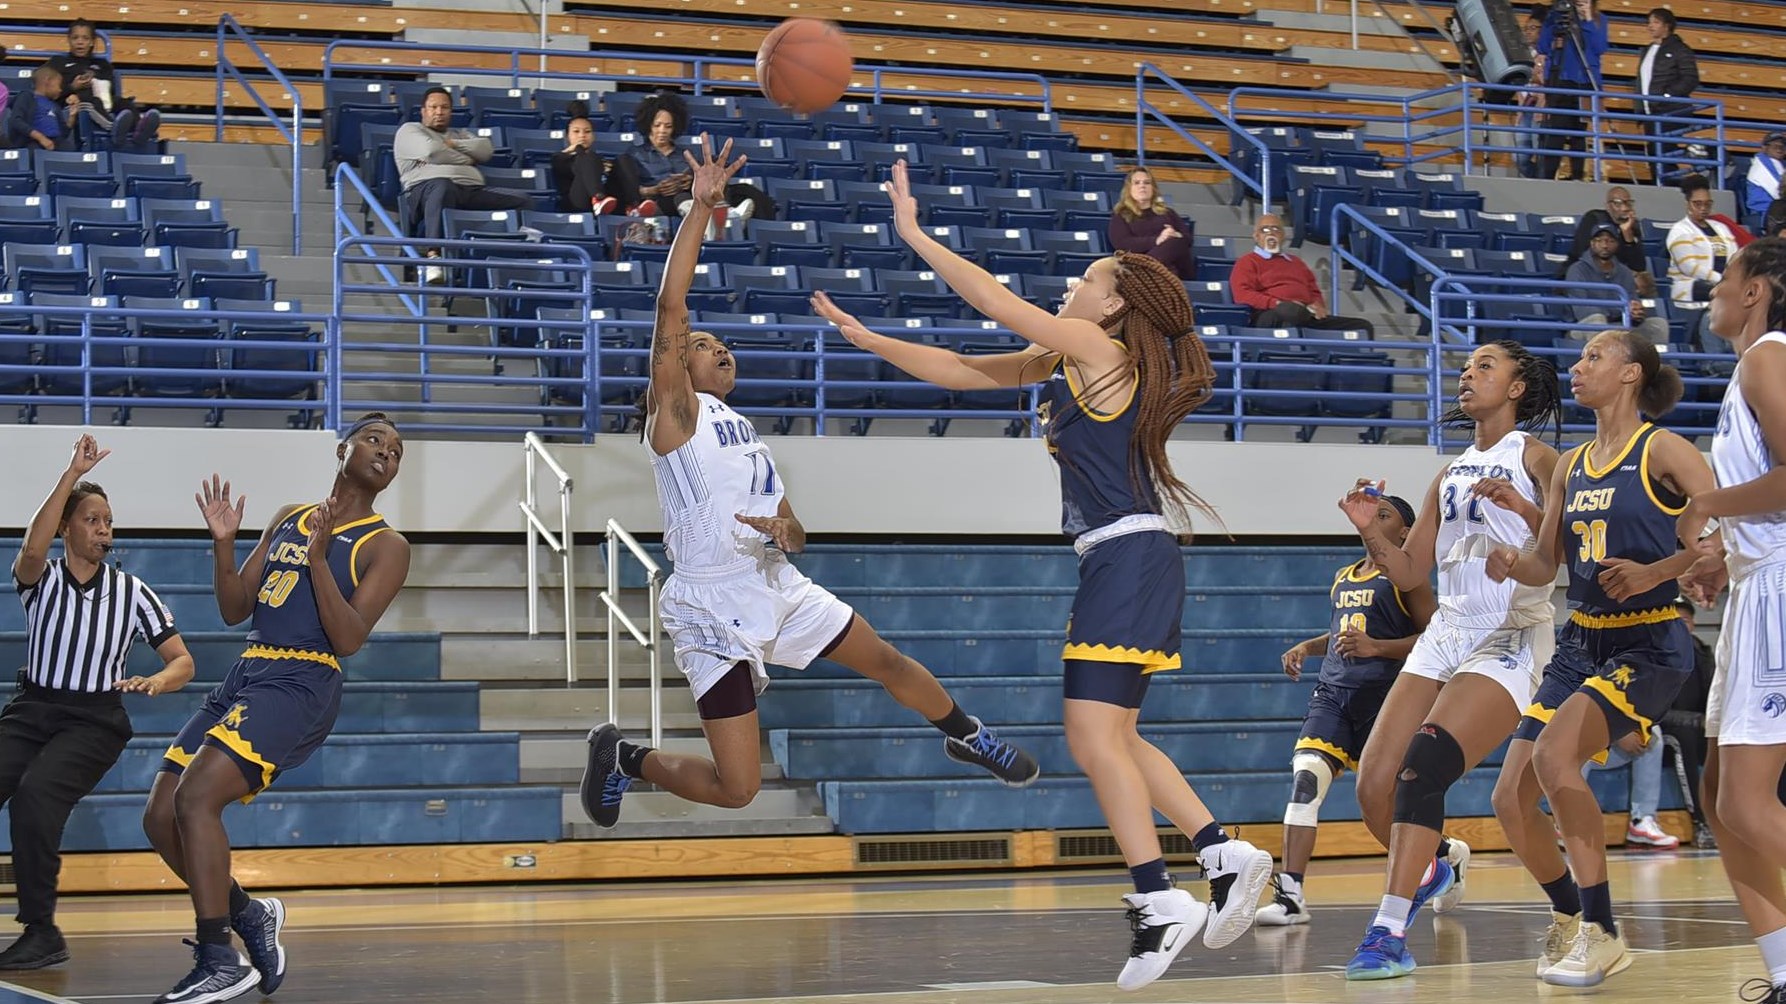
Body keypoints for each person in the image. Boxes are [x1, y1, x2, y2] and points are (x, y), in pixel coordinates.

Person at [808, 159, 1276, 991]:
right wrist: (871, 341)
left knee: (1093, 739)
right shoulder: (1069, 362)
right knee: (1118, 737)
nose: (1073, 284)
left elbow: (992, 298)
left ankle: (1159, 898)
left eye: (1087, 279)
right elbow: (961, 370)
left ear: (1115, 305)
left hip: (1127, 556)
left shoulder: (1097, 349)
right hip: (1125, 559)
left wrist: (914, 235)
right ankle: (1219, 851)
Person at [578, 140, 1038, 848]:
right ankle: (625, 757)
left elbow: (794, 529)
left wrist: (788, 535)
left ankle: (964, 733)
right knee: (738, 789)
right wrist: (699, 210)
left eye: (725, 346)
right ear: (678, 365)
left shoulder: (748, 437)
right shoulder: (675, 415)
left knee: (885, 659)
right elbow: (671, 305)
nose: (719, 348)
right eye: (703, 344)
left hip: (774, 582)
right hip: (710, 603)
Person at [144, 415, 411, 1004]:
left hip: (303, 680)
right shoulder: (290, 516)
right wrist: (223, 544)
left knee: (196, 797)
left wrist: (317, 561)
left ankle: (219, 957)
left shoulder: (387, 546)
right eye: (374, 440)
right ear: (342, 449)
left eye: (396, 451)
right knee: (160, 816)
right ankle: (249, 914)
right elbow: (235, 607)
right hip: (249, 668)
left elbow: (348, 639)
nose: (386, 453)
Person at [1485, 328, 1710, 985]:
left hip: (1649, 638)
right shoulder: (1572, 464)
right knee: (1510, 797)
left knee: (1556, 756)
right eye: (1580, 357)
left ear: (1631, 373)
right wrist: (1510, 560)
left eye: (1594, 357)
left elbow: (1721, 533)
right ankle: (1568, 913)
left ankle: (1604, 930)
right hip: (1581, 640)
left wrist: (1657, 571)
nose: (1578, 367)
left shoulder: (1663, 449)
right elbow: (1546, 563)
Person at [1338, 339, 1563, 981]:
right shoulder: (1449, 472)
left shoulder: (1537, 457)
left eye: (1484, 366)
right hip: (1447, 629)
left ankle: (1388, 931)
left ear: (1517, 387)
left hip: (1510, 628)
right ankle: (1436, 865)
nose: (1468, 375)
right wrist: (1371, 530)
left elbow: (1565, 547)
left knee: (1422, 766)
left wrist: (1524, 510)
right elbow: (1411, 571)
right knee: (1373, 784)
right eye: (1465, 368)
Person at [1, 436, 194, 970]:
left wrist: (159, 680)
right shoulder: (41, 579)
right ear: (67, 528)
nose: (104, 529)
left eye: (108, 521)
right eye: (91, 520)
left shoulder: (133, 591)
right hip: (33, 707)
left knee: (35, 797)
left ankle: (41, 931)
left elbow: (183, 661)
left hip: (94, 720)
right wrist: (71, 473)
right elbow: (31, 550)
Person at [1676, 236, 1786, 1004]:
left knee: (1747, 800)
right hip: (1756, 582)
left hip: (1777, 587)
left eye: (1728, 275)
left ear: (1756, 291)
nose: (1715, 288)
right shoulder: (1753, 366)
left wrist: (1707, 505)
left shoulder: (1767, 357)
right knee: (1720, 799)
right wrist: (1723, 553)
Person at [1258, 493, 1436, 928]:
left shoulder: (1408, 580)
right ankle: (1291, 894)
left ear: (1405, 532)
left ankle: (1446, 856)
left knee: (1386, 804)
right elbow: (1342, 631)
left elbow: (1436, 638)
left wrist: (1378, 648)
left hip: (1385, 697)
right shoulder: (1344, 577)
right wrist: (1308, 646)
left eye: (1384, 514)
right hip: (1333, 695)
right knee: (1305, 781)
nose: (1373, 518)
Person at [394, 86, 533, 285]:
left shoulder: (458, 134)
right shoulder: (410, 130)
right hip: (424, 193)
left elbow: (485, 149)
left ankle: (527, 254)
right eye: (433, 107)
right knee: (442, 186)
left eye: (444, 107)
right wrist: (467, 159)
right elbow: (432, 152)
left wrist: (455, 144)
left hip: (470, 191)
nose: (439, 112)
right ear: (423, 111)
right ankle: (433, 257)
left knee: (523, 200)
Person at [608, 92, 771, 226]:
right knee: (678, 197)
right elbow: (629, 190)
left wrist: (691, 181)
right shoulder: (635, 154)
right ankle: (720, 216)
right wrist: (655, 190)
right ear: (648, 125)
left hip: (692, 196)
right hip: (659, 202)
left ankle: (727, 213)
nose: (662, 130)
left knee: (743, 188)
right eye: (657, 125)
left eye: (668, 126)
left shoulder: (685, 154)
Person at [1229, 214, 1376, 335]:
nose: (1271, 233)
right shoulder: (1247, 262)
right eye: (1265, 230)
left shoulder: (1296, 262)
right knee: (1290, 311)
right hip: (1270, 313)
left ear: (1283, 236)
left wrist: (1318, 305)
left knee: (1362, 326)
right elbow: (1243, 294)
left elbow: (1313, 291)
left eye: (1276, 229)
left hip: (1304, 313)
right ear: (1256, 236)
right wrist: (1277, 303)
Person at [43, 19, 158, 152]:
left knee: (123, 103)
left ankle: (140, 131)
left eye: (85, 38)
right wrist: (72, 87)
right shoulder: (58, 62)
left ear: (92, 41)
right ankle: (113, 128)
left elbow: (110, 89)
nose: (80, 42)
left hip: (104, 101)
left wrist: (95, 81)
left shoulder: (102, 64)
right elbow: (45, 89)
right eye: (75, 38)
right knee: (90, 101)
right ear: (68, 40)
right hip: (75, 103)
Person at [1660, 594, 1717, 848]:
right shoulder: (1654, 654)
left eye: (1685, 620)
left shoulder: (1703, 653)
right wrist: (1697, 721)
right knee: (1684, 738)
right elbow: (1654, 710)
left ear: (1693, 624)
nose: (1680, 625)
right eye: (1673, 620)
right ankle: (1701, 822)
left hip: (1699, 725)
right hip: (1662, 729)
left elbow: (1714, 698)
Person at [1535, 0, 1608, 182]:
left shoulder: (1599, 20)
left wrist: (1588, 19)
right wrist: (1552, 18)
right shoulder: (1558, 18)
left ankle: (1577, 176)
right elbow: (1543, 46)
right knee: (1556, 132)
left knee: (1579, 133)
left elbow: (1600, 48)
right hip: (1561, 80)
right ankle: (1547, 178)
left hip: (1586, 83)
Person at [1566, 223, 1669, 344]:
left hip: (1620, 327)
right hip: (1582, 327)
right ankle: (1603, 357)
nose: (1605, 245)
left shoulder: (1625, 271)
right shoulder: (1577, 269)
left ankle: (1655, 357)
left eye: (1610, 241)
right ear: (1592, 243)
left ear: (1617, 244)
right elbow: (1581, 310)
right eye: (1599, 241)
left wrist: (1636, 313)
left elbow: (1632, 300)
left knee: (1658, 324)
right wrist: (1621, 311)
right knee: (1597, 320)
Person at [1667, 174, 1738, 349]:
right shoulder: (1679, 230)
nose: (1703, 208)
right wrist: (1721, 280)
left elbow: (1736, 256)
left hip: (1723, 286)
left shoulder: (1721, 228)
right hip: (1692, 287)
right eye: (1697, 204)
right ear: (1687, 203)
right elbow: (1689, 266)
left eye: (1707, 204)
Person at [1637, 8, 1700, 184]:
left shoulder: (1680, 49)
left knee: (1665, 153)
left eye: (1655, 22)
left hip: (1670, 111)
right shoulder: (1648, 50)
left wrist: (1667, 95)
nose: (1650, 26)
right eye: (1649, 22)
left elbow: (1691, 78)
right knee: (1654, 154)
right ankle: (1661, 187)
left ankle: (1670, 188)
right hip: (1650, 112)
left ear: (1667, 26)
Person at [1107, 168, 1194, 279]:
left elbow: (1188, 239)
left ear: (1153, 188)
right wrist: (1157, 240)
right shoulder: (1121, 215)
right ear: (1129, 189)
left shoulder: (1168, 213)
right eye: (1137, 183)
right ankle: (1145, 270)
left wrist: (1175, 235)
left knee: (1177, 242)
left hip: (1170, 270)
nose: (1142, 186)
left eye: (1147, 183)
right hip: (1138, 264)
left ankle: (1145, 270)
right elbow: (1122, 243)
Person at [1560, 187, 1656, 286]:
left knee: (1643, 282)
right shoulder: (1594, 218)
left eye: (1628, 203)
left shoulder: (1632, 225)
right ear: (1608, 206)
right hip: (1587, 273)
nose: (1625, 208)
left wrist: (1628, 236)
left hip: (1617, 277)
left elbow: (1639, 267)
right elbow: (1582, 252)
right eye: (1617, 203)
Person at [548, 116, 616, 215]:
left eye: (587, 132)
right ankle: (598, 198)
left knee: (624, 159)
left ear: (593, 137)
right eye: (576, 131)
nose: (582, 135)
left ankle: (633, 205)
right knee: (588, 157)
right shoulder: (559, 157)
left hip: (607, 200)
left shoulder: (598, 158)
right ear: (567, 136)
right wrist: (574, 149)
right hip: (576, 203)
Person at [5, 65, 70, 152]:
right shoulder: (26, 97)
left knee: (69, 149)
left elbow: (64, 134)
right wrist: (40, 138)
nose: (60, 90)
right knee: (35, 150)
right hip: (31, 142)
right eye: (58, 85)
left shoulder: (54, 105)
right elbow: (16, 121)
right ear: (47, 81)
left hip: (55, 143)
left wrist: (72, 116)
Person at [1513, 12, 1546, 179]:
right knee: (1520, 158)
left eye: (1532, 28)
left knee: (1541, 154)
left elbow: (1549, 80)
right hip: (1525, 109)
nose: (1527, 32)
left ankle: (1542, 183)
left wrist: (1530, 76)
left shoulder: (1548, 54)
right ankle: (1537, 180)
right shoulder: (1521, 55)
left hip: (1540, 109)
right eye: (1526, 28)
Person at [1746, 132, 1785, 234]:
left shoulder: (1780, 163)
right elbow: (1780, 192)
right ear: (1764, 147)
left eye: (1783, 146)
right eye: (1775, 145)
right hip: (1765, 212)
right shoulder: (1761, 166)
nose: (1780, 149)